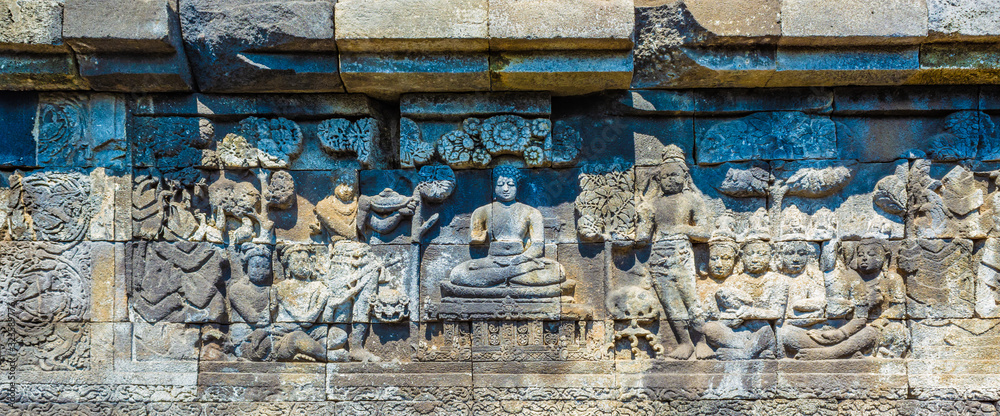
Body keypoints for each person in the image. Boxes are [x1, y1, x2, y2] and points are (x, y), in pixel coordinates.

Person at [442, 165, 565, 298]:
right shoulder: (482, 212)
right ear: (493, 188)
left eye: (511, 184)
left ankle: (500, 279)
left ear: (518, 187)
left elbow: (537, 246)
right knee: (457, 274)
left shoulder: (532, 212)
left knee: (558, 271)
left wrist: (519, 259)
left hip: (521, 261)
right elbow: (476, 237)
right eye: (500, 184)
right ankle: (513, 275)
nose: (506, 189)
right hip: (493, 262)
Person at [635, 145, 710, 360]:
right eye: (665, 176)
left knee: (691, 299)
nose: (669, 180)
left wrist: (684, 229)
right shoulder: (654, 203)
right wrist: (642, 216)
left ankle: (702, 342)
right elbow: (643, 237)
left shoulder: (692, 200)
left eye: (674, 175)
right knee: (670, 303)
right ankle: (685, 344)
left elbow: (704, 232)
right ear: (658, 179)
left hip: (681, 254)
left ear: (685, 176)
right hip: (658, 256)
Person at [795, 239, 908, 360]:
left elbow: (898, 309)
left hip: (877, 325)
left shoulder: (892, 279)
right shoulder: (853, 278)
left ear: (885, 258)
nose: (864, 258)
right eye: (860, 255)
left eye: (871, 254)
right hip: (851, 325)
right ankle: (847, 351)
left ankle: (829, 354)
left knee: (884, 331)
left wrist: (879, 322)